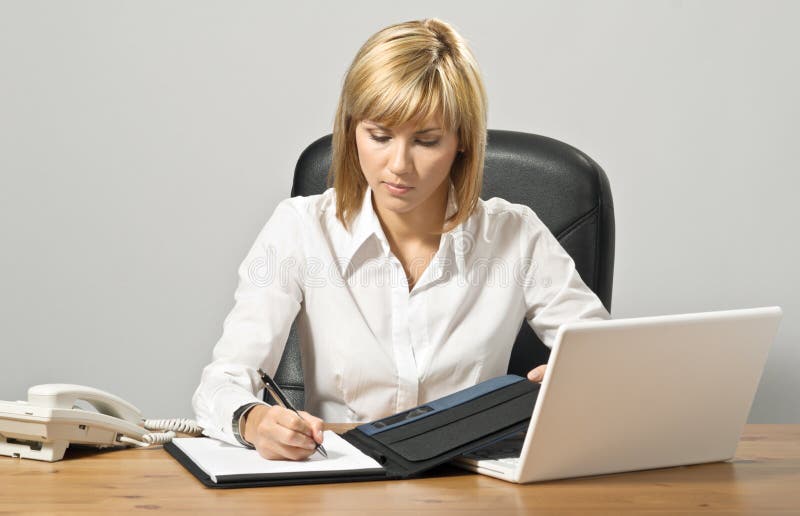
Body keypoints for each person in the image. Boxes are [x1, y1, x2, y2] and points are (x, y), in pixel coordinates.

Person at [192, 18, 610, 461]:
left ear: (462, 142)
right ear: (351, 130)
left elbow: (609, 356)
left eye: (426, 141)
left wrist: (585, 378)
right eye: (379, 136)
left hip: (472, 481)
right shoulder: (300, 228)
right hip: (342, 477)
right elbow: (223, 381)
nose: (398, 165)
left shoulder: (515, 235)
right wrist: (252, 421)